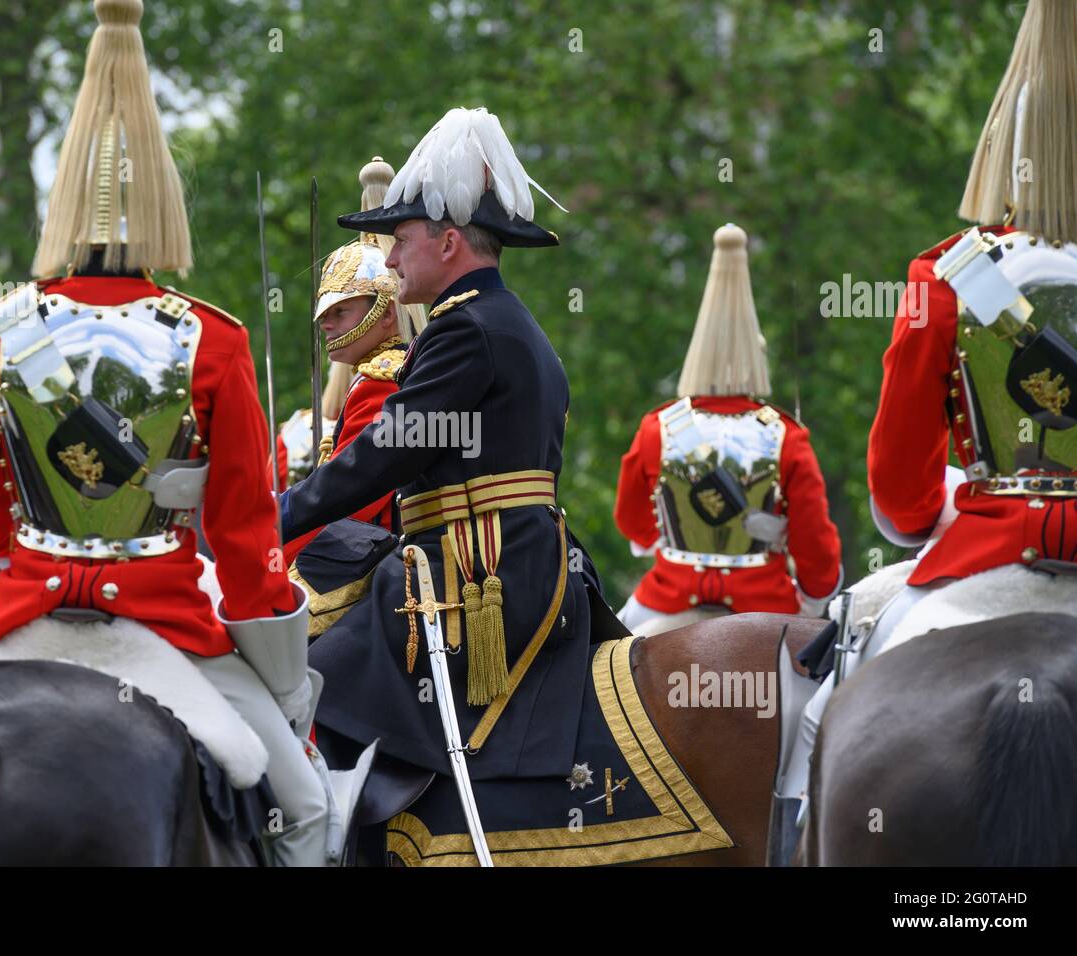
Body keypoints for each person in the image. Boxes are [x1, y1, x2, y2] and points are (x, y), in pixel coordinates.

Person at [0, 0, 332, 865]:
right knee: (307, 810)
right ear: (161, 194)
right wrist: (279, 658)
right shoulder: (214, 339)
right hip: (166, 621)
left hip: (25, 612)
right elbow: (244, 540)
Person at [774, 0, 1077, 861]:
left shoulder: (948, 274)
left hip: (976, 554)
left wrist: (938, 504)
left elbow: (900, 498)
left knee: (828, 707)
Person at [280, 106, 615, 793]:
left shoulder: (464, 330)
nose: (391, 259)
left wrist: (271, 515)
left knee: (311, 677)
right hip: (511, 551)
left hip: (477, 569)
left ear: (450, 243)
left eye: (400, 241)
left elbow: (385, 453)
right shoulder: (505, 322)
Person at [613, 224, 841, 636]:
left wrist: (664, 536)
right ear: (758, 358)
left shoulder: (657, 428)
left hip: (666, 600)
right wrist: (814, 597)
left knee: (598, 677)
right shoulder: (786, 436)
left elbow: (631, 521)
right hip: (767, 606)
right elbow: (816, 551)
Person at [282, 156, 426, 569]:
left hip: (373, 560)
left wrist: (273, 553)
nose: (327, 324)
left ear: (385, 312)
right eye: (325, 314)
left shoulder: (380, 380)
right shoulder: (381, 372)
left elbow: (351, 500)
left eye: (341, 312)